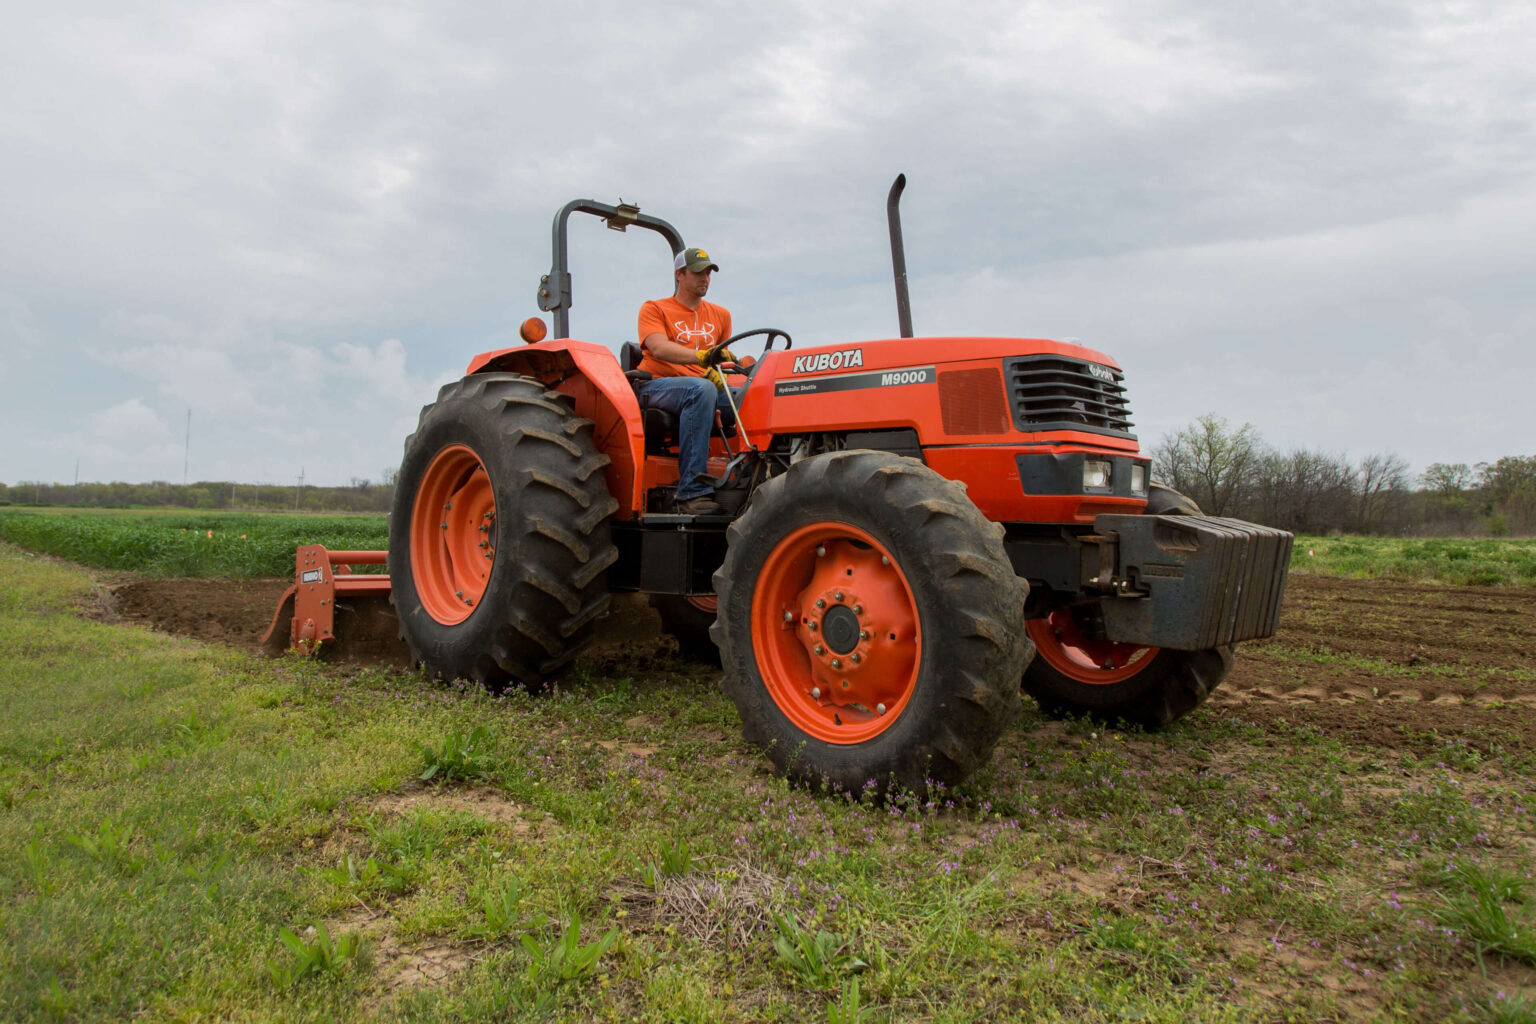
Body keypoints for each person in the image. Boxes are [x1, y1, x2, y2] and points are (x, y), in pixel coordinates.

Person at [635, 246, 741, 515]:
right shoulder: (654, 309)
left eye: (707, 272)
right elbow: (659, 348)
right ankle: (691, 492)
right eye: (697, 273)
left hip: (701, 387)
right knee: (701, 390)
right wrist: (702, 358)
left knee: (751, 398)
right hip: (655, 385)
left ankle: (754, 477)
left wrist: (725, 367)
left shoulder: (721, 315)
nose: (704, 278)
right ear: (679, 275)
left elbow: (720, 358)